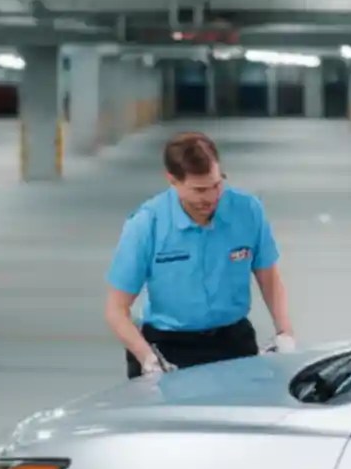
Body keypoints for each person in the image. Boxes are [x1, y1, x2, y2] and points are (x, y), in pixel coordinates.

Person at [104, 131, 296, 378]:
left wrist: (285, 332)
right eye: (199, 190)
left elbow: (269, 279)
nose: (211, 197)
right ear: (172, 180)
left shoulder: (248, 212)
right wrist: (147, 358)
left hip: (232, 343)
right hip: (169, 346)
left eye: (217, 185)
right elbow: (116, 310)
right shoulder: (146, 224)